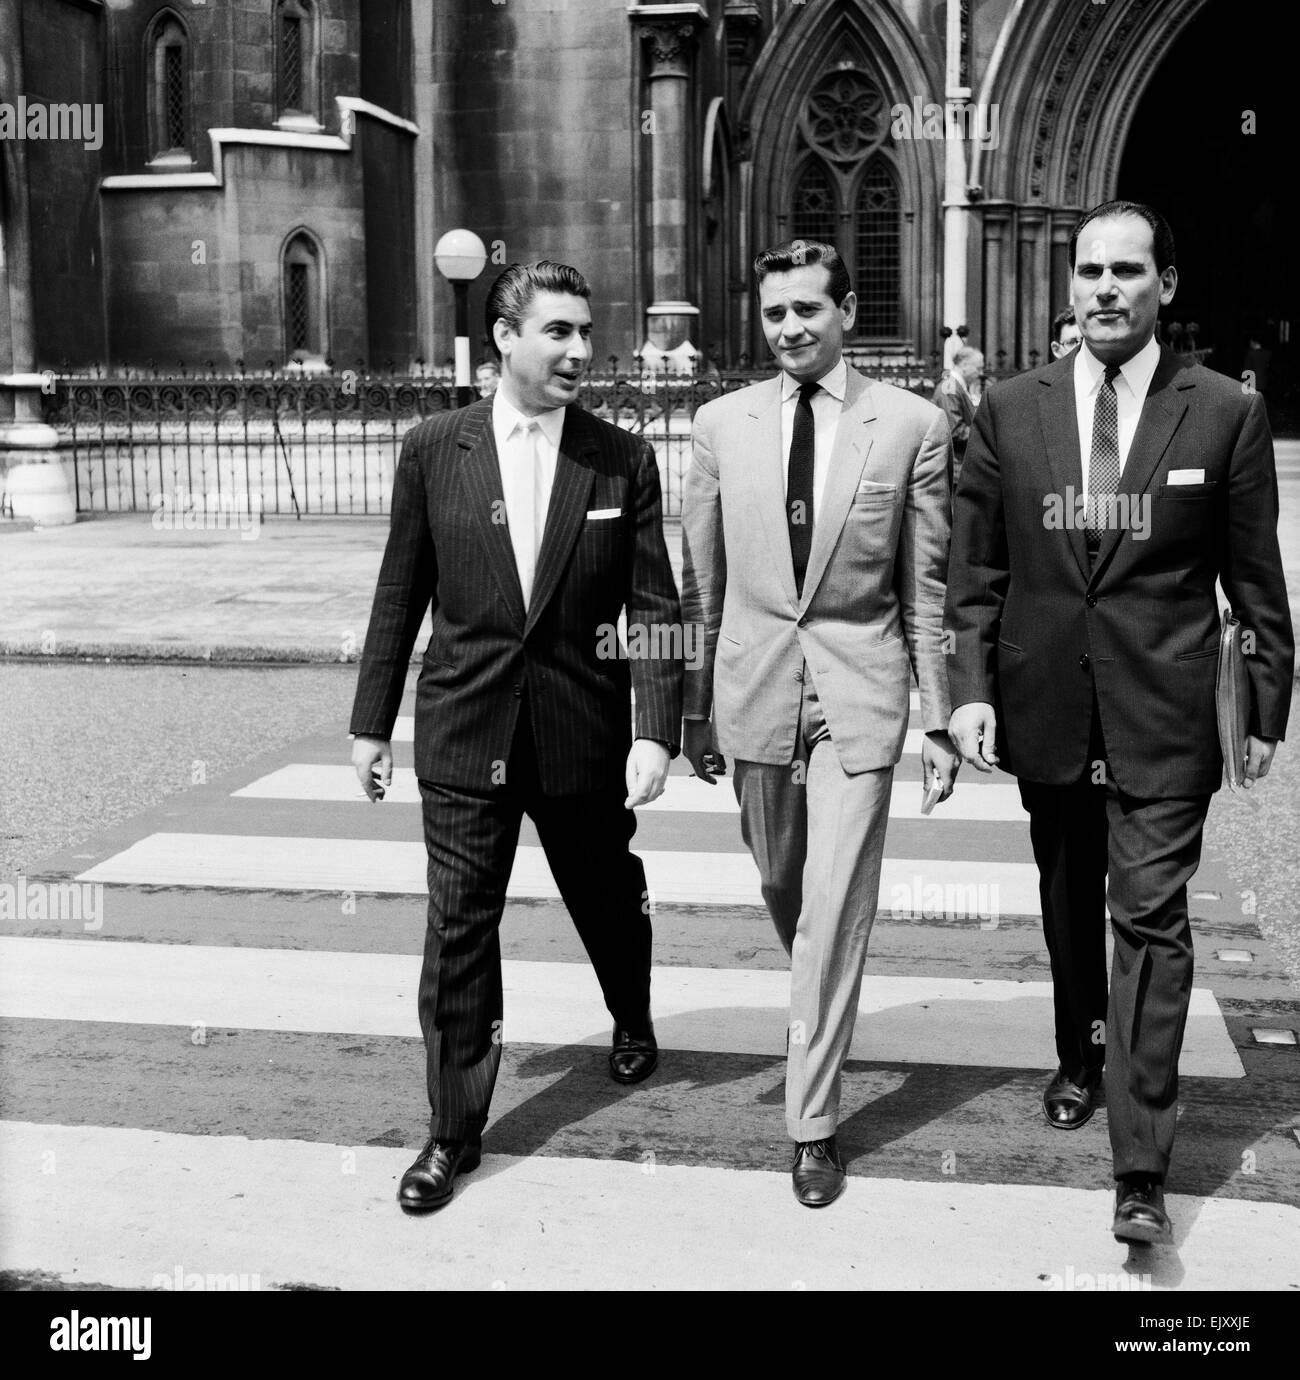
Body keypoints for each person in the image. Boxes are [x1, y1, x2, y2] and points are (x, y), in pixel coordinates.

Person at [945, 200, 1293, 1243]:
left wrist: (1266, 702)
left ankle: (1139, 1166)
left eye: (1126, 272)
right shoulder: (1010, 408)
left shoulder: (1222, 411)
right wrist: (967, 687)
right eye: (1088, 270)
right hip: (1045, 702)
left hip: (1163, 715)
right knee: (1064, 901)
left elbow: (1253, 578)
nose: (1103, 288)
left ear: (1164, 287)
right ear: (1068, 283)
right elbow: (976, 571)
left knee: (1148, 921)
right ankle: (1075, 1052)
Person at [350, 260, 684, 1212]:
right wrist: (371, 721)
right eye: (560, 332)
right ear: (504, 336)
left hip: (582, 730)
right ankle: (452, 1132)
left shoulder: (624, 458)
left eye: (587, 331)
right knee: (459, 928)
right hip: (466, 728)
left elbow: (657, 605)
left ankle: (631, 1009)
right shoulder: (433, 448)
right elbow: (398, 591)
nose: (582, 350)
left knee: (609, 896)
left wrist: (655, 730)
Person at [680, 238, 959, 1208]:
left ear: (844, 310)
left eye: (806, 308)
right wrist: (690, 713)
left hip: (861, 691)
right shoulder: (719, 424)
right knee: (783, 883)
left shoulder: (912, 426)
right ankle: (822, 993)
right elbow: (702, 587)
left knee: (834, 908)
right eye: (773, 314)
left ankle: (812, 1125)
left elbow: (924, 589)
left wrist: (935, 714)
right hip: (754, 687)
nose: (790, 327)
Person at [930, 345, 984, 493]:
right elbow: (955, 431)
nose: (981, 373)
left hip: (959, 467)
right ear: (964, 365)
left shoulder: (956, 386)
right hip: (955, 468)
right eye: (978, 368)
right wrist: (986, 434)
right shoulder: (950, 387)